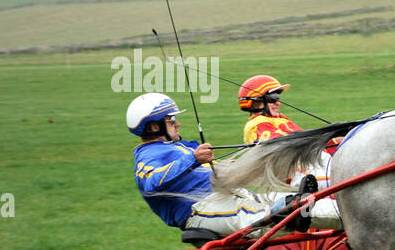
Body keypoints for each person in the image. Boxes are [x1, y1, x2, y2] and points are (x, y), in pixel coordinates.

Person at [128, 92, 314, 236]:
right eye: (171, 120)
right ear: (154, 127)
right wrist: (193, 159)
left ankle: (297, 203)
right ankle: (288, 212)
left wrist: (224, 165)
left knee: (269, 198)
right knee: (247, 215)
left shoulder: (179, 147)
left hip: (226, 194)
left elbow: (201, 169)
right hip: (198, 209)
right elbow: (151, 181)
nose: (178, 124)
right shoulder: (148, 154)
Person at [238, 74, 342, 226]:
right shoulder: (257, 124)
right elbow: (286, 145)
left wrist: (337, 137)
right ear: (257, 102)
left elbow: (310, 143)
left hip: (316, 164)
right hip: (297, 174)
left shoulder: (280, 119)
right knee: (346, 178)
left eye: (278, 98)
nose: (278, 103)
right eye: (273, 98)